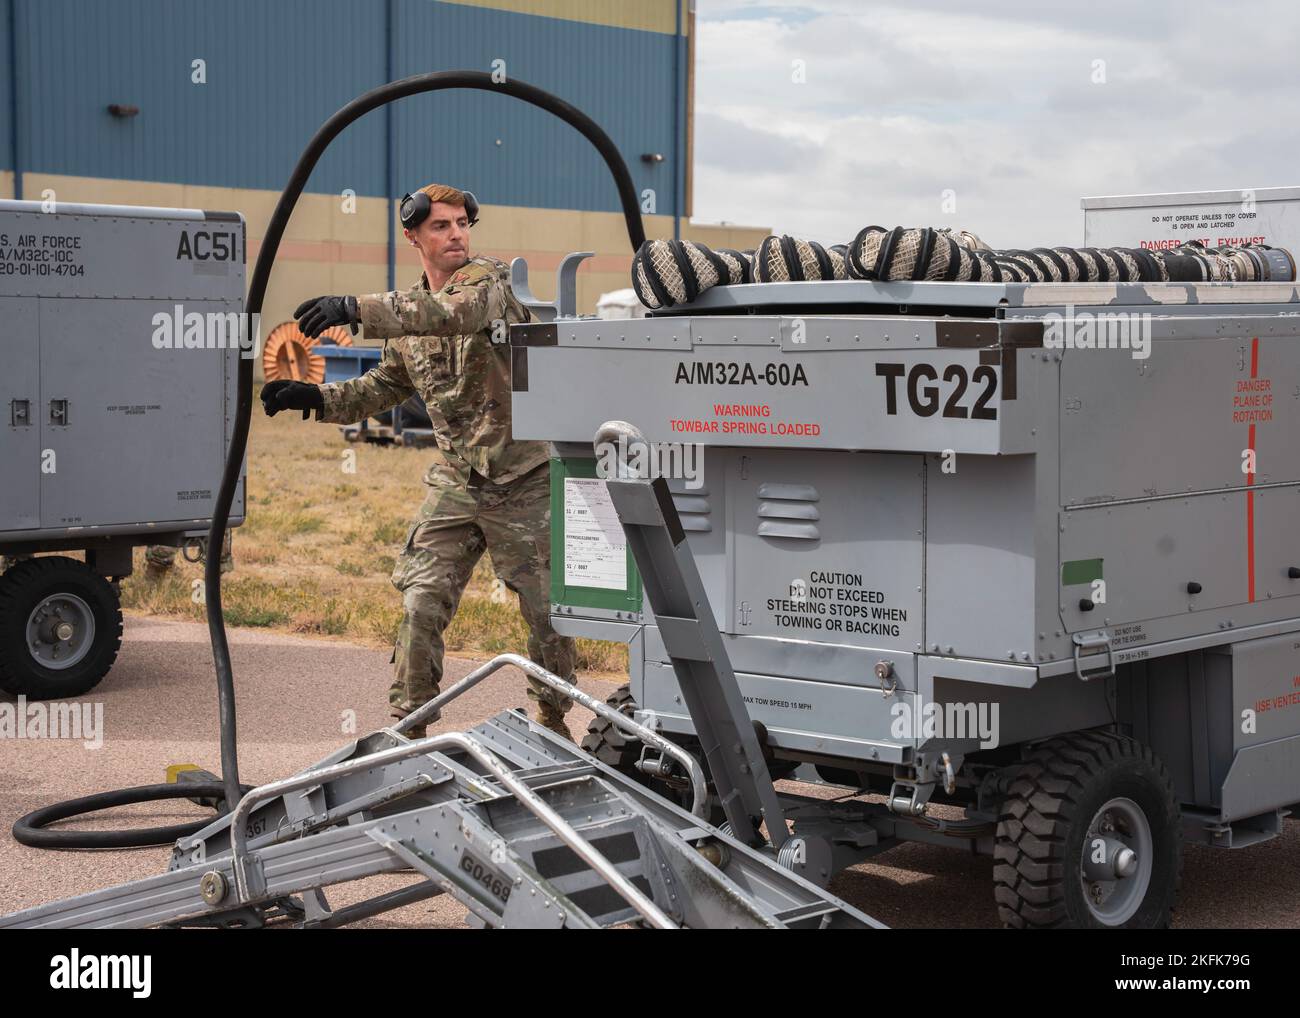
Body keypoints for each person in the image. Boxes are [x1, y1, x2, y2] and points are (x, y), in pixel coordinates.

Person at [261, 182, 577, 740]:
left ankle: (553, 723)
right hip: (458, 480)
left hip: (523, 478)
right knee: (421, 600)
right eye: (441, 226)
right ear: (414, 236)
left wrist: (354, 309)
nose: (456, 234)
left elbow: (453, 313)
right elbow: (385, 385)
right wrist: (315, 398)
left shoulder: (489, 283)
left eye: (461, 224)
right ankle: (409, 731)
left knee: (546, 611)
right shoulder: (407, 320)